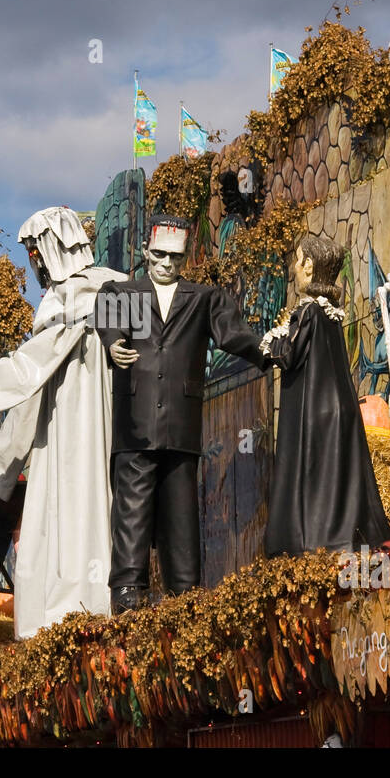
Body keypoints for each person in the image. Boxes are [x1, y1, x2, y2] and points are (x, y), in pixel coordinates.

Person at [0, 207, 125, 637]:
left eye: (35, 253)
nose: (33, 264)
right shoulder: (119, 289)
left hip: (64, 438)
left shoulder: (66, 303)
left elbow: (24, 383)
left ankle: (63, 626)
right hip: (117, 439)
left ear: (51, 250)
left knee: (57, 534)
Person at [96, 214, 266, 612]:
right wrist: (112, 344)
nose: (167, 264)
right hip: (135, 423)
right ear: (145, 253)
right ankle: (126, 590)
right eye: (159, 254)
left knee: (181, 509)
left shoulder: (203, 298)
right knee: (131, 508)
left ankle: (185, 593)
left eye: (175, 256)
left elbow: (232, 334)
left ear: (185, 255)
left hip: (180, 423)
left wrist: (268, 350)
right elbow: (111, 325)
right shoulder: (126, 294)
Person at [261, 235, 390, 556]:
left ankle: (313, 544)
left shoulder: (307, 311)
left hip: (315, 412)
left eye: (298, 259)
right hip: (340, 409)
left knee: (314, 480)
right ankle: (350, 537)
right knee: (340, 478)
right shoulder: (331, 315)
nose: (293, 267)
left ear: (309, 266)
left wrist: (268, 342)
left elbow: (286, 354)